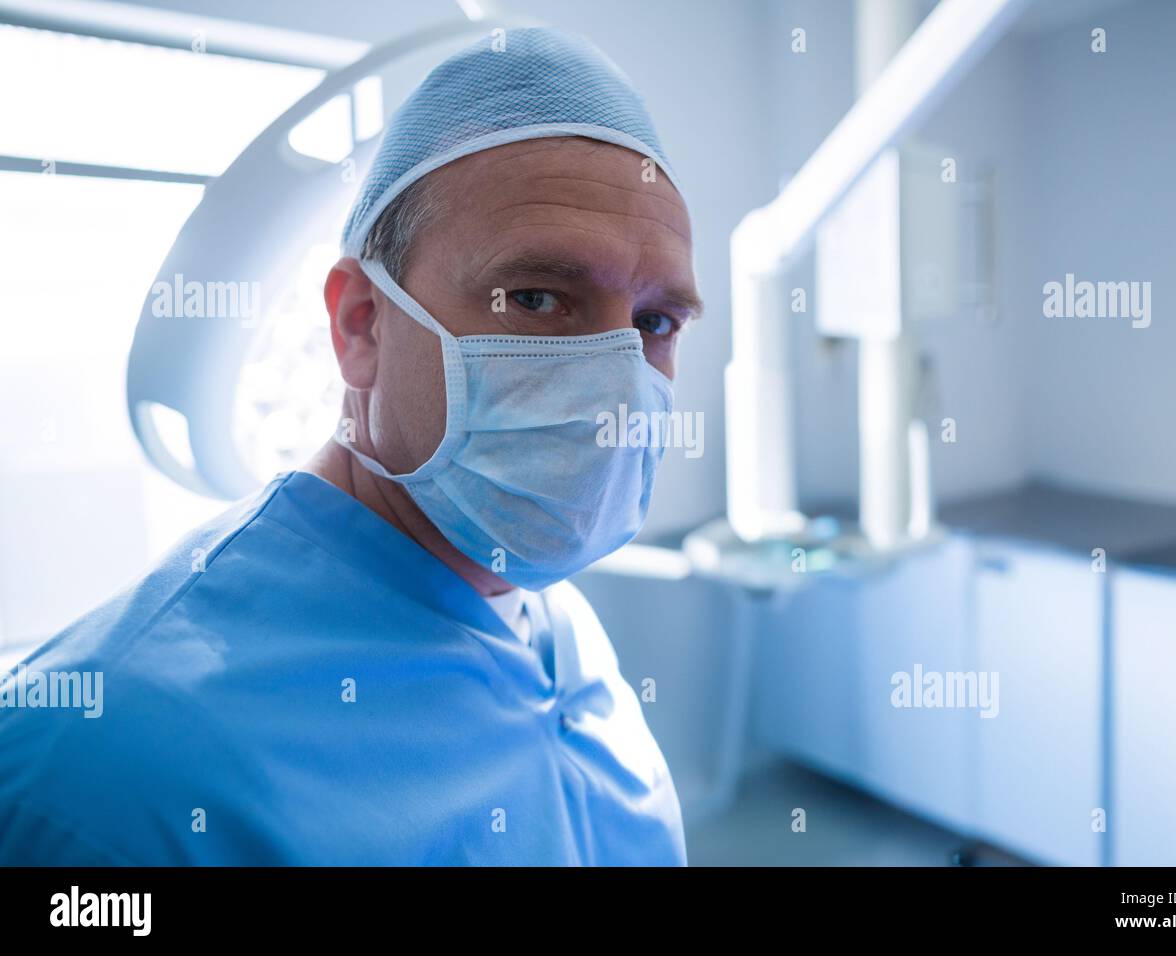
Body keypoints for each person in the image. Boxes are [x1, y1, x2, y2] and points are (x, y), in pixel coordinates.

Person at [0, 26, 699, 866]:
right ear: (360, 323)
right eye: (538, 298)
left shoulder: (546, 612)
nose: (614, 387)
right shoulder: (103, 767)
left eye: (655, 323)